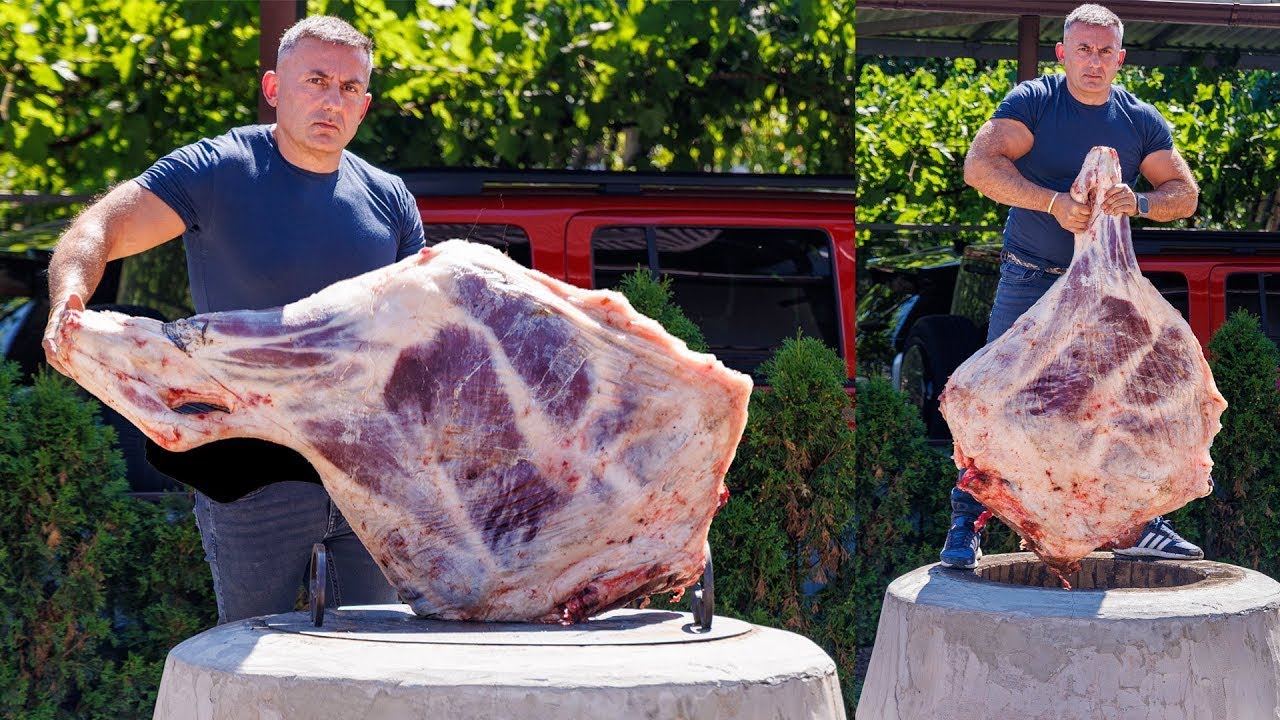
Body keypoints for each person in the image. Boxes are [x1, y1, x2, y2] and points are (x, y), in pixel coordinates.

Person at [42, 16, 425, 621]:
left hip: (367, 473)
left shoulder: (390, 198)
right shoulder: (218, 169)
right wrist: (69, 295)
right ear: (274, 89)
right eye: (316, 80)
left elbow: (419, 337)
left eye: (349, 88)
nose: (332, 100)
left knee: (374, 657)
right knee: (246, 651)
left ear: (366, 105)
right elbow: (101, 226)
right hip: (247, 469)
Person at [941, 3, 1202, 569]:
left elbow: (1185, 192)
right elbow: (980, 166)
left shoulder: (1139, 120)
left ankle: (1144, 523)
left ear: (1120, 58)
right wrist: (1052, 202)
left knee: (1120, 407)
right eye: (1083, 49)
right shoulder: (1034, 102)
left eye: (1105, 51)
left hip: (1107, 290)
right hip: (1032, 276)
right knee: (997, 399)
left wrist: (1143, 202)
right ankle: (966, 524)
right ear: (1062, 52)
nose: (1093, 60)